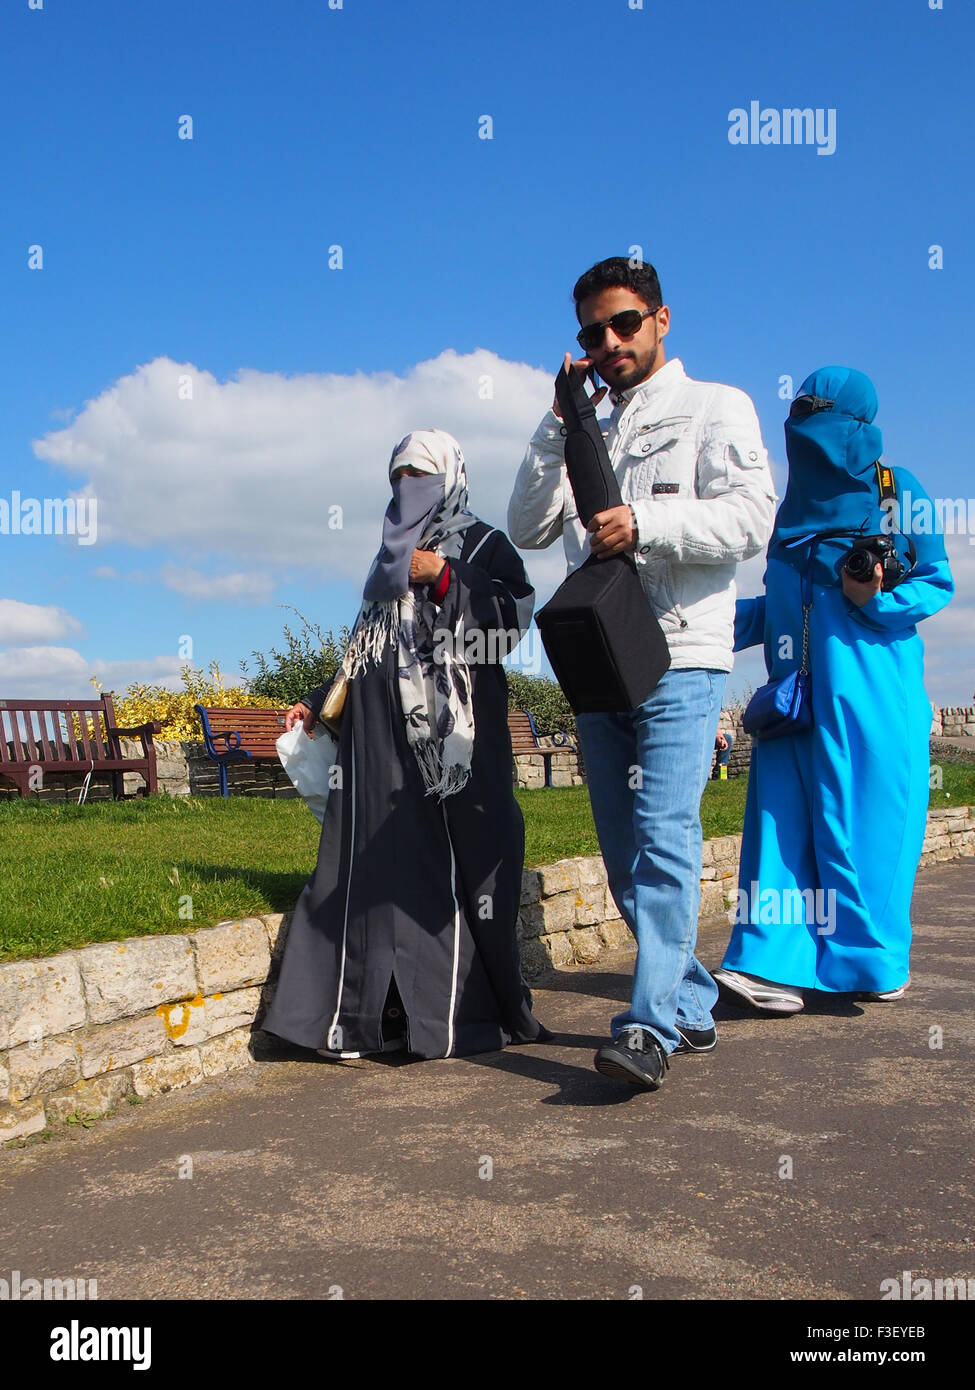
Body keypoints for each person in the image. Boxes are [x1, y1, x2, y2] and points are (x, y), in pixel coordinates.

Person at [508, 257, 775, 1090]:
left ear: (662, 319)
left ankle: (648, 1027)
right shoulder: (586, 422)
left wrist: (647, 522)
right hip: (600, 660)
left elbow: (751, 517)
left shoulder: (715, 406)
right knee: (623, 852)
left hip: (682, 653)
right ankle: (691, 1001)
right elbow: (525, 522)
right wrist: (558, 422)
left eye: (625, 323)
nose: (610, 341)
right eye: (592, 332)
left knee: (664, 835)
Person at [263, 429, 547, 1060]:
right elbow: (369, 647)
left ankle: (455, 1017)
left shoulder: (483, 542)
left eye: (420, 474)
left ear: (450, 475)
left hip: (452, 749)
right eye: (396, 476)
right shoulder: (387, 554)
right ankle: (358, 1017)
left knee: (447, 870)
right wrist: (316, 699)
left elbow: (510, 626)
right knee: (365, 868)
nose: (405, 488)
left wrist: (445, 576)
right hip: (376, 741)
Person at [714, 368, 954, 1013]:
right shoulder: (788, 512)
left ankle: (870, 965)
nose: (810, 433)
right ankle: (770, 962)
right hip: (791, 694)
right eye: (800, 415)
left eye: (825, 416)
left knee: (866, 830)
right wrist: (709, 625)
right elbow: (784, 603)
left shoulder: (901, 491)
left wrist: (874, 596)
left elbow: (937, 582)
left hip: (873, 693)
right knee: (779, 824)